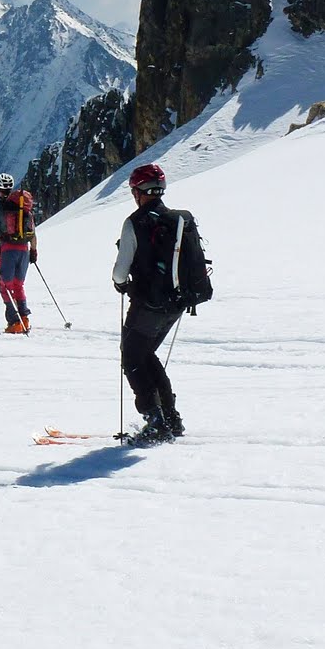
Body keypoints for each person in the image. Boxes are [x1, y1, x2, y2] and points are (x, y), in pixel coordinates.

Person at [111, 162, 188, 443]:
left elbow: (120, 272)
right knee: (146, 355)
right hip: (176, 303)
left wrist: (121, 284)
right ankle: (171, 417)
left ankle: (155, 420)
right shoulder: (178, 220)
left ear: (138, 191)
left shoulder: (134, 223)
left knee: (131, 357)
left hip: (149, 304)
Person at [0, 173, 38, 333]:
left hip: (8, 251)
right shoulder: (23, 205)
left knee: (6, 287)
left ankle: (14, 323)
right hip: (24, 249)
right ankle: (24, 318)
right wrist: (34, 250)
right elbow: (33, 231)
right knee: (18, 285)